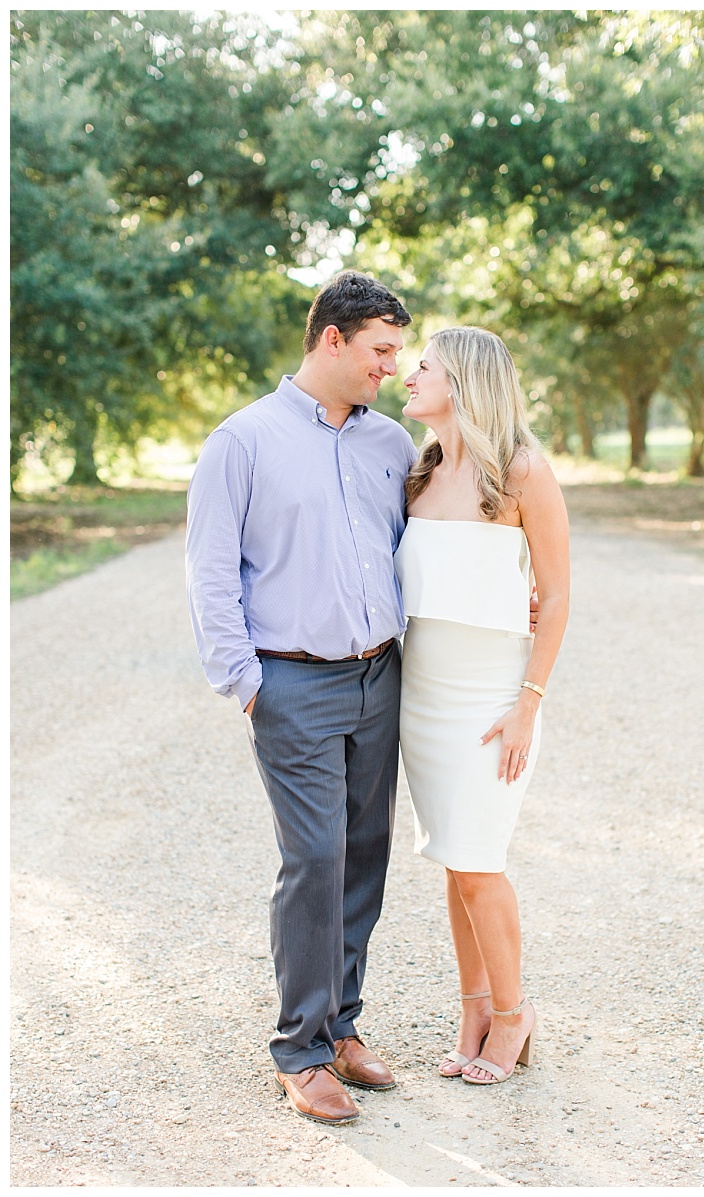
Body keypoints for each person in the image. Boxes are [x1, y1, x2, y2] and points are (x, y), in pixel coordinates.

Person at [187, 271, 416, 1125]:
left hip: (379, 675)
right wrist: (247, 683)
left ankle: (343, 1024)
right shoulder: (240, 441)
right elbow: (210, 570)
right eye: (381, 350)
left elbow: (422, 544)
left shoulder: (389, 443)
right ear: (332, 339)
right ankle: (300, 1049)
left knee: (365, 853)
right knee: (314, 857)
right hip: (292, 680)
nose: (392, 366)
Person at [396, 326, 570, 1085]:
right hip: (421, 694)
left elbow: (558, 594)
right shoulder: (417, 473)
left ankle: (513, 1014)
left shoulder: (524, 471)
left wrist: (528, 701)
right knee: (452, 860)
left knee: (479, 862)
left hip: (492, 697)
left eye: (424, 366)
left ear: (461, 381)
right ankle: (472, 1007)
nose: (409, 375)